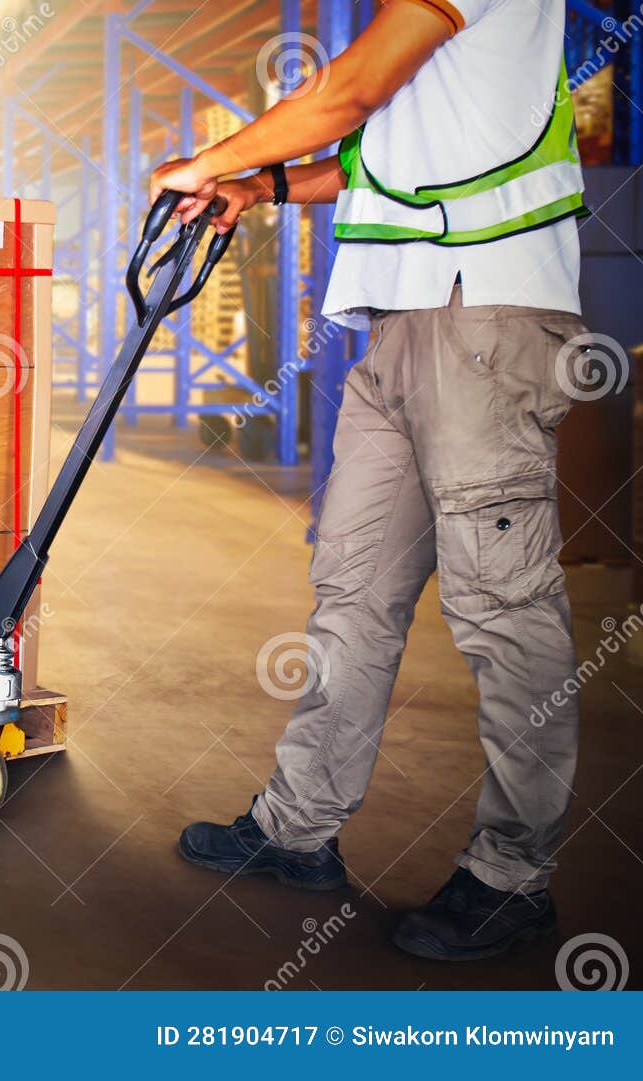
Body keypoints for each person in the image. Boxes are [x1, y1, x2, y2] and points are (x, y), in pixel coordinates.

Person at [150, 0, 589, 961]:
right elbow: (371, 163)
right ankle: (298, 826)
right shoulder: (431, 42)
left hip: (485, 318)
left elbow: (347, 93)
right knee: (352, 588)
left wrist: (212, 159)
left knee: (503, 607)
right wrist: (257, 185)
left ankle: (513, 878)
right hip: (397, 326)